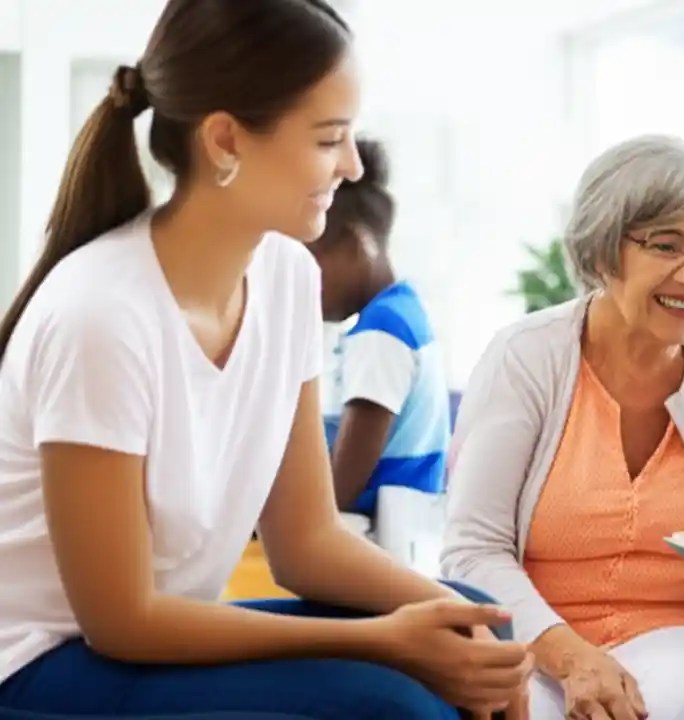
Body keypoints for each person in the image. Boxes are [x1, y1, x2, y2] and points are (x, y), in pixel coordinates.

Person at [0, 2, 530, 718]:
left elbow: (305, 542)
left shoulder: (286, 278)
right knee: (392, 704)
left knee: (472, 615)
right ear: (225, 140)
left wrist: (456, 621)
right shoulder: (101, 315)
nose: (349, 166)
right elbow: (120, 620)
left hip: (142, 640)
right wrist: (386, 642)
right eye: (328, 139)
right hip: (42, 662)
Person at [441, 135, 684, 720]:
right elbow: (473, 550)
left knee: (673, 704)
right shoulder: (525, 357)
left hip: (680, 641)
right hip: (531, 637)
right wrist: (573, 656)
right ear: (605, 252)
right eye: (667, 246)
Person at [308, 137, 451, 519]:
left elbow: (337, 491)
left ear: (356, 245)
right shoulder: (405, 311)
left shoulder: (381, 331)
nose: (300, 280)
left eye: (308, 261)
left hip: (379, 539)